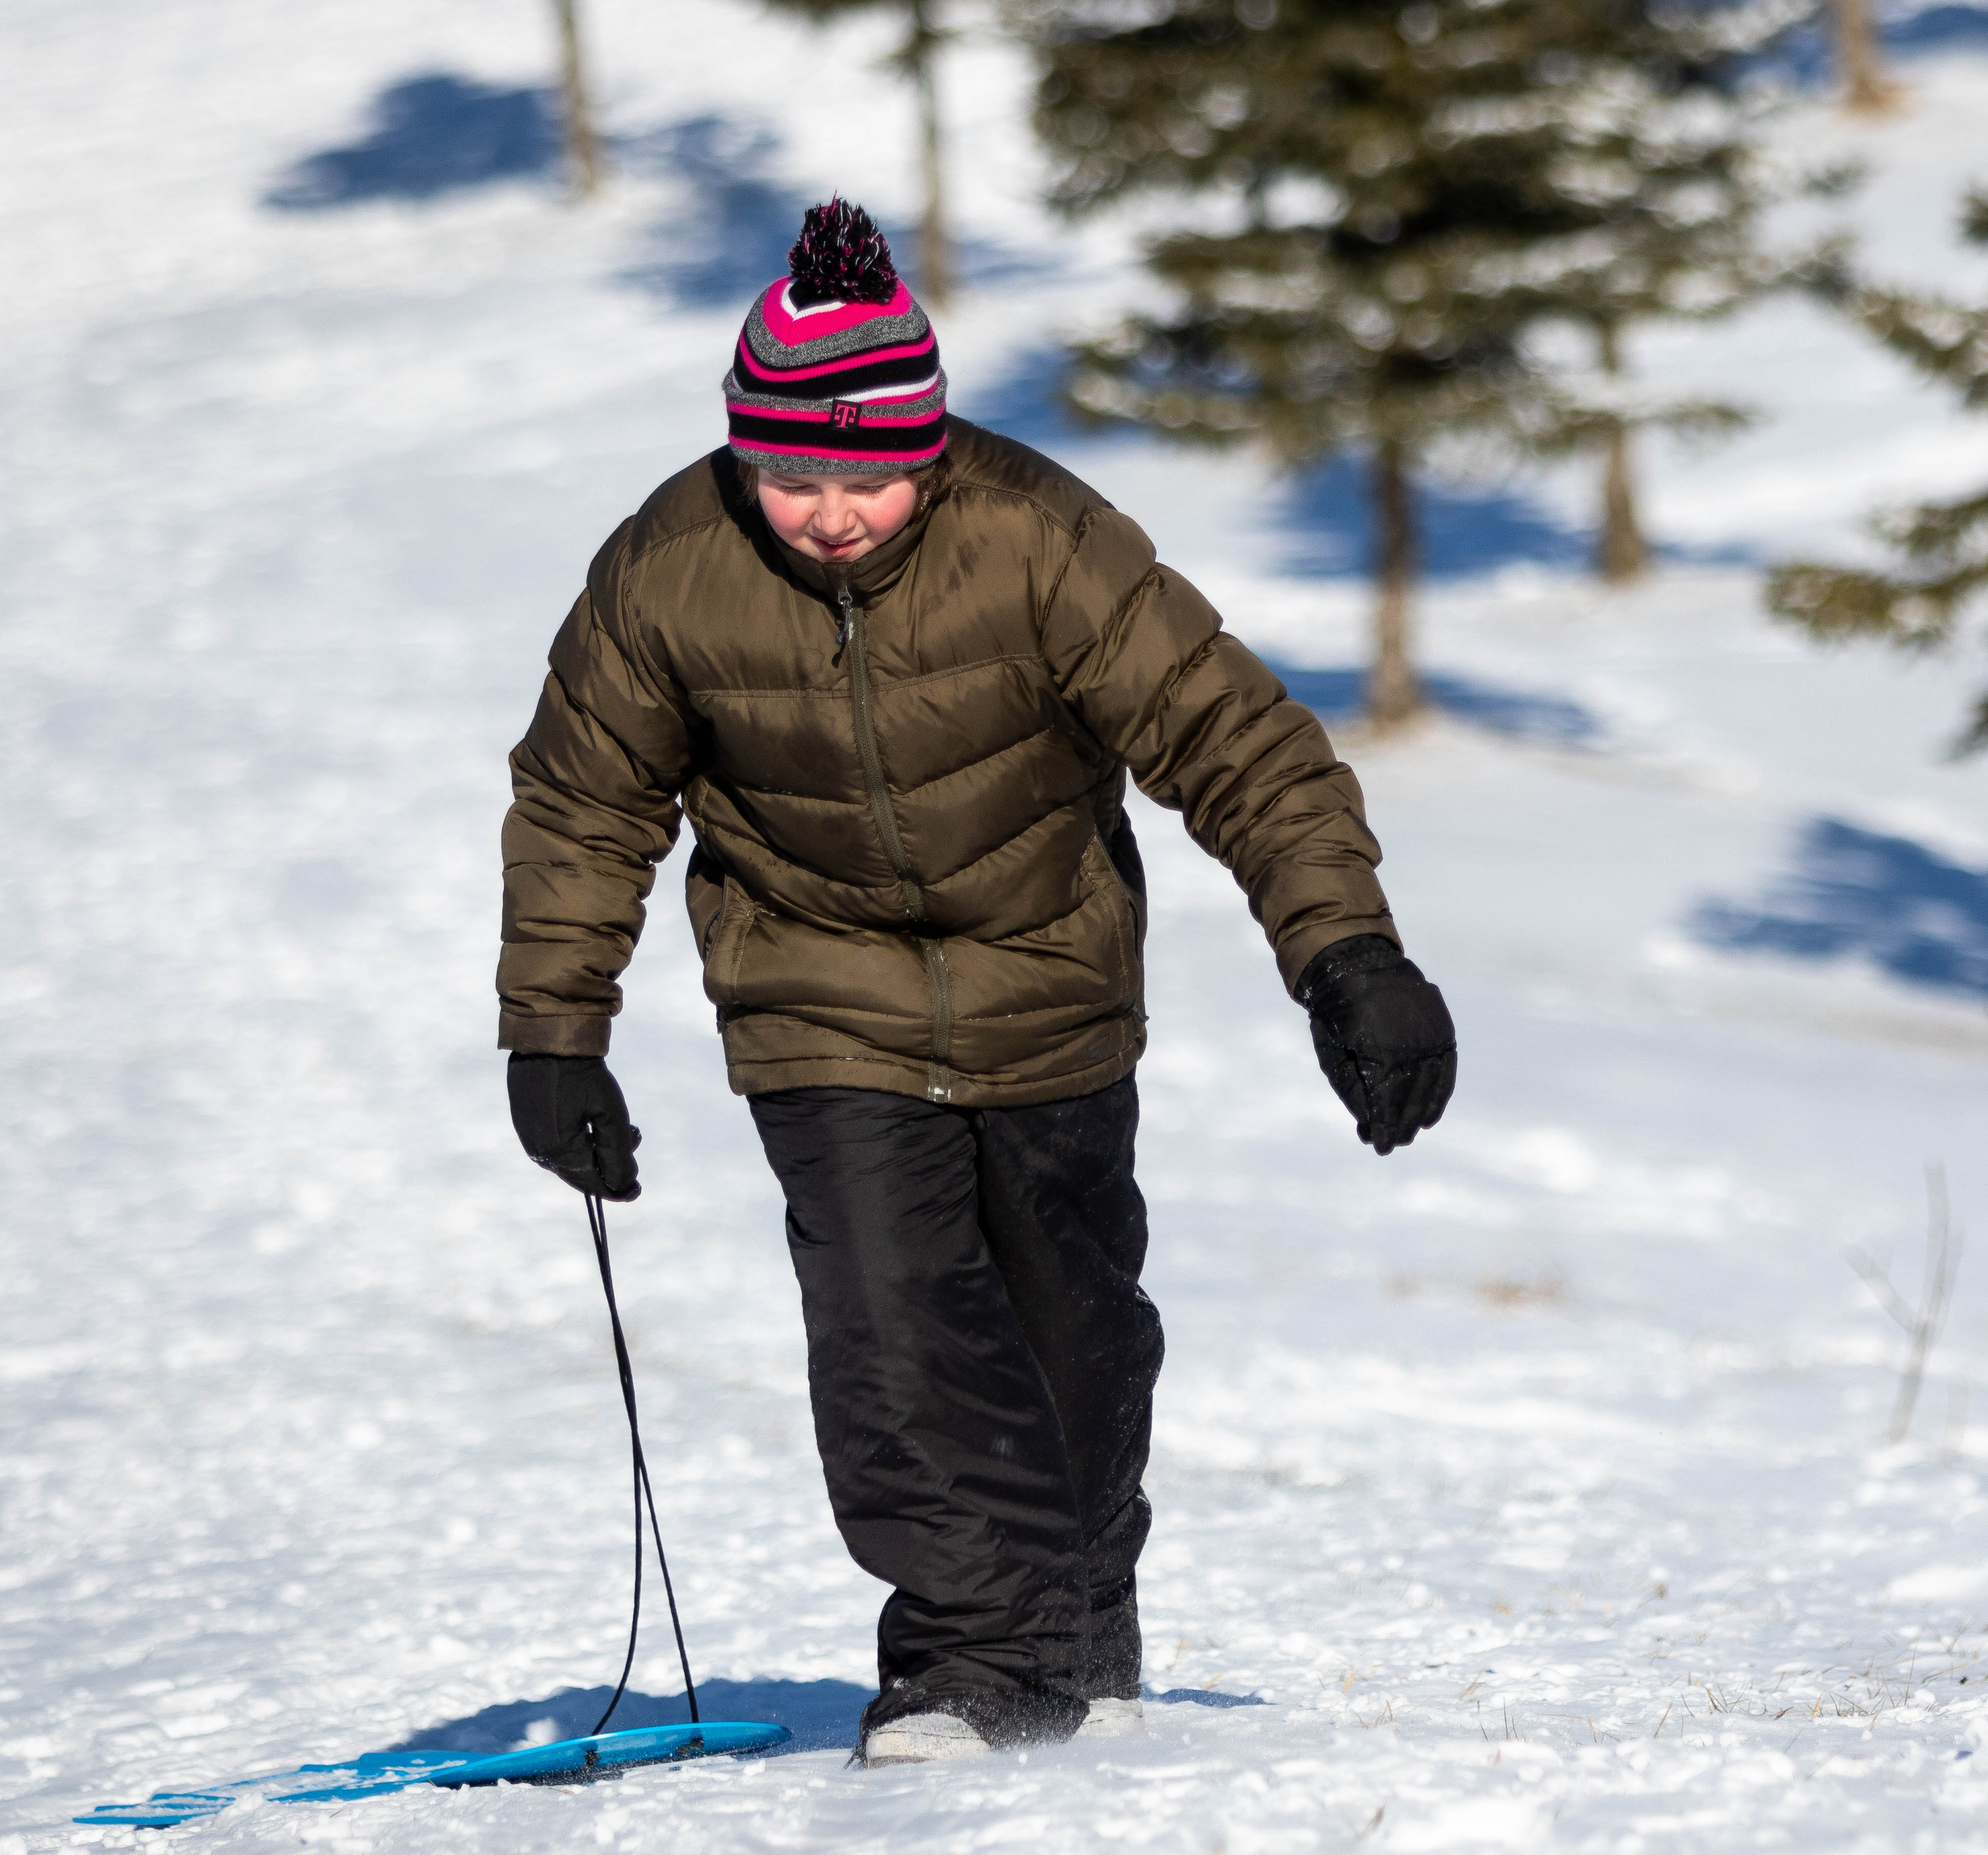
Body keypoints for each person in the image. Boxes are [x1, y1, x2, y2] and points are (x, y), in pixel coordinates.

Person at [494, 201, 1457, 1764]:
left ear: (928, 450)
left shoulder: (1042, 540)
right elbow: (583, 802)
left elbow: (1240, 744)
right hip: (820, 998)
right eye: (788, 476)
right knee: (896, 1324)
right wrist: (556, 1036)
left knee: (1070, 1326)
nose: (825, 513)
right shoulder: (669, 572)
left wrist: (1348, 958)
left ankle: (1078, 1624)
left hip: (1049, 984)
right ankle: (971, 1659)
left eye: (863, 475)